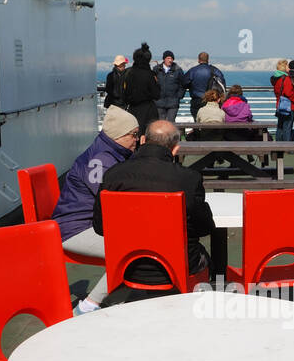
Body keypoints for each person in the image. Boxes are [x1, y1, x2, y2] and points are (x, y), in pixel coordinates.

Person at [90, 120, 214, 303]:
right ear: (175, 149)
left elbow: (100, 227)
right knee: (205, 258)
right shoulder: (188, 178)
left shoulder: (113, 175)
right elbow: (204, 228)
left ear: (142, 140)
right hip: (177, 267)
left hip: (128, 266)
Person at [50, 106, 141, 313]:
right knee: (130, 251)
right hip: (75, 230)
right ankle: (88, 307)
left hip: (86, 223)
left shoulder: (113, 152)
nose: (137, 139)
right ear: (119, 135)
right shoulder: (100, 161)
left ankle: (116, 295)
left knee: (137, 243)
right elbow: (109, 202)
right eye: (134, 135)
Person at [122, 43, 160, 130]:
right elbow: (156, 94)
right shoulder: (150, 74)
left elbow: (124, 94)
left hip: (133, 110)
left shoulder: (128, 73)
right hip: (149, 111)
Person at [185, 52, 226, 122]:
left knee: (197, 122)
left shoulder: (193, 71)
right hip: (212, 101)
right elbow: (222, 84)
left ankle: (198, 132)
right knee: (212, 121)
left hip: (196, 101)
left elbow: (184, 83)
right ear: (208, 59)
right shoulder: (215, 70)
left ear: (198, 60)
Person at [153, 50, 187, 122]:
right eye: (168, 58)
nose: (170, 60)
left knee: (170, 124)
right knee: (160, 124)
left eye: (171, 58)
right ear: (164, 59)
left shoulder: (178, 70)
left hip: (173, 103)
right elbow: (152, 83)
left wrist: (179, 96)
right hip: (159, 102)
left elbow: (183, 84)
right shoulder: (156, 69)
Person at [271, 59, 294, 142]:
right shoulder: (286, 79)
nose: (289, 68)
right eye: (287, 66)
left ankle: (279, 145)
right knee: (287, 127)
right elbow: (289, 93)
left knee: (280, 126)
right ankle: (287, 146)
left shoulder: (276, 78)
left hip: (279, 105)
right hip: (288, 106)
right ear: (284, 67)